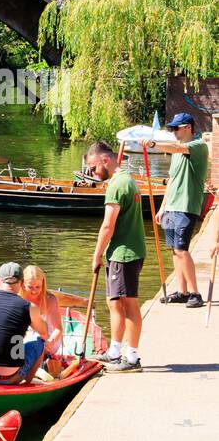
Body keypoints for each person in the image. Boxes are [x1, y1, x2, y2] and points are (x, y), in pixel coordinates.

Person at [85, 140, 146, 372]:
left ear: (105, 160)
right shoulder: (128, 180)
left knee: (128, 303)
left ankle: (131, 357)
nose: (92, 172)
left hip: (124, 253)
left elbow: (107, 226)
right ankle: (114, 351)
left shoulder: (116, 186)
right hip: (130, 250)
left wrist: (96, 254)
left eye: (93, 167)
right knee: (115, 302)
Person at [154, 114, 210, 307]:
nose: (173, 132)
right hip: (171, 207)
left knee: (181, 249)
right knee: (174, 251)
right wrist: (162, 207)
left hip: (186, 206)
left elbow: (178, 147)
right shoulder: (176, 153)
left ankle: (196, 294)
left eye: (176, 129)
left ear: (187, 127)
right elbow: (172, 180)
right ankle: (182, 291)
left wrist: (153, 144)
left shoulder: (198, 146)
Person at [0, 262, 54, 385]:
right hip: (11, 377)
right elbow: (43, 333)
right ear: (21, 284)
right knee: (40, 343)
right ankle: (27, 382)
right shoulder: (29, 307)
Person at [20, 265, 67, 374]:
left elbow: (58, 329)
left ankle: (37, 366)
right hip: (26, 334)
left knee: (35, 344)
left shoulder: (50, 299)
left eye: (38, 287)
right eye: (30, 287)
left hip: (49, 337)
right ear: (23, 285)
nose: (34, 291)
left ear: (43, 284)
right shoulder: (19, 298)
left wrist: (50, 342)